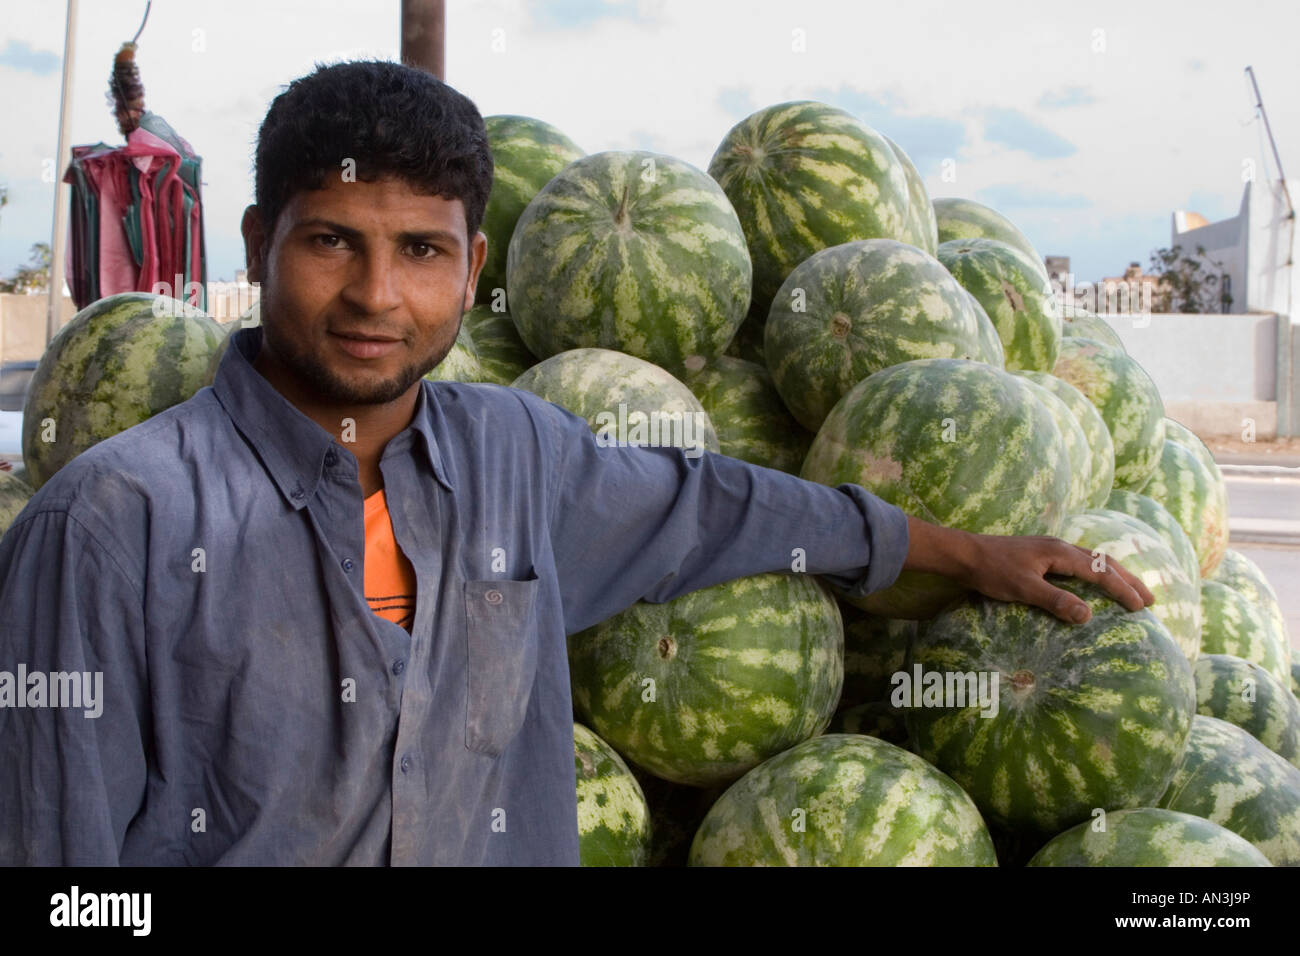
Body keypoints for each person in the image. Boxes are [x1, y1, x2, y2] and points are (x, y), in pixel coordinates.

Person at [0, 60, 1151, 866]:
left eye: (421, 251)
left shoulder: (515, 456)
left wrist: (959, 550)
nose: (375, 295)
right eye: (331, 241)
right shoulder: (111, 521)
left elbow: (721, 505)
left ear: (474, 265)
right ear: (258, 243)